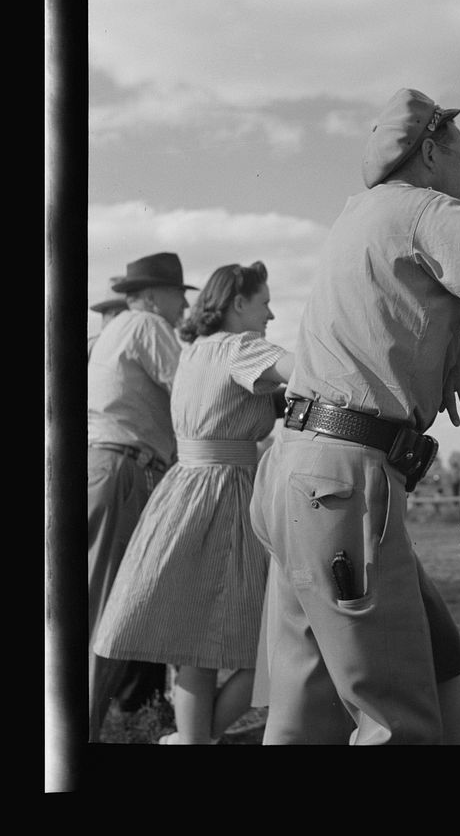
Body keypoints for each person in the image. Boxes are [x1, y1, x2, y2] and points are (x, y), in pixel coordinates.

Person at [249, 88, 460, 744]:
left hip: (295, 475)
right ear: (429, 150)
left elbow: (405, 297)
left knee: (304, 711)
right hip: (346, 483)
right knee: (400, 724)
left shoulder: (360, 215)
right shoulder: (431, 210)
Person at [94, 261, 292, 744]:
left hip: (183, 490)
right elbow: (310, 369)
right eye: (264, 302)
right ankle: (199, 740)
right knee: (271, 643)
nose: (270, 313)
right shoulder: (241, 346)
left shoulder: (197, 350)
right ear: (238, 303)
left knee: (192, 640)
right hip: (229, 493)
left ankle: (190, 739)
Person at [87, 252, 195, 740]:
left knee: (99, 608)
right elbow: (192, 392)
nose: (182, 308)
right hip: (124, 470)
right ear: (153, 295)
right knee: (108, 614)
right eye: (178, 295)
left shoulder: (119, 328)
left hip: (113, 466)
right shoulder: (148, 324)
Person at [87, 277, 128, 360]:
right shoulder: (92, 346)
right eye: (109, 313)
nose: (115, 319)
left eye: (122, 314)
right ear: (103, 317)